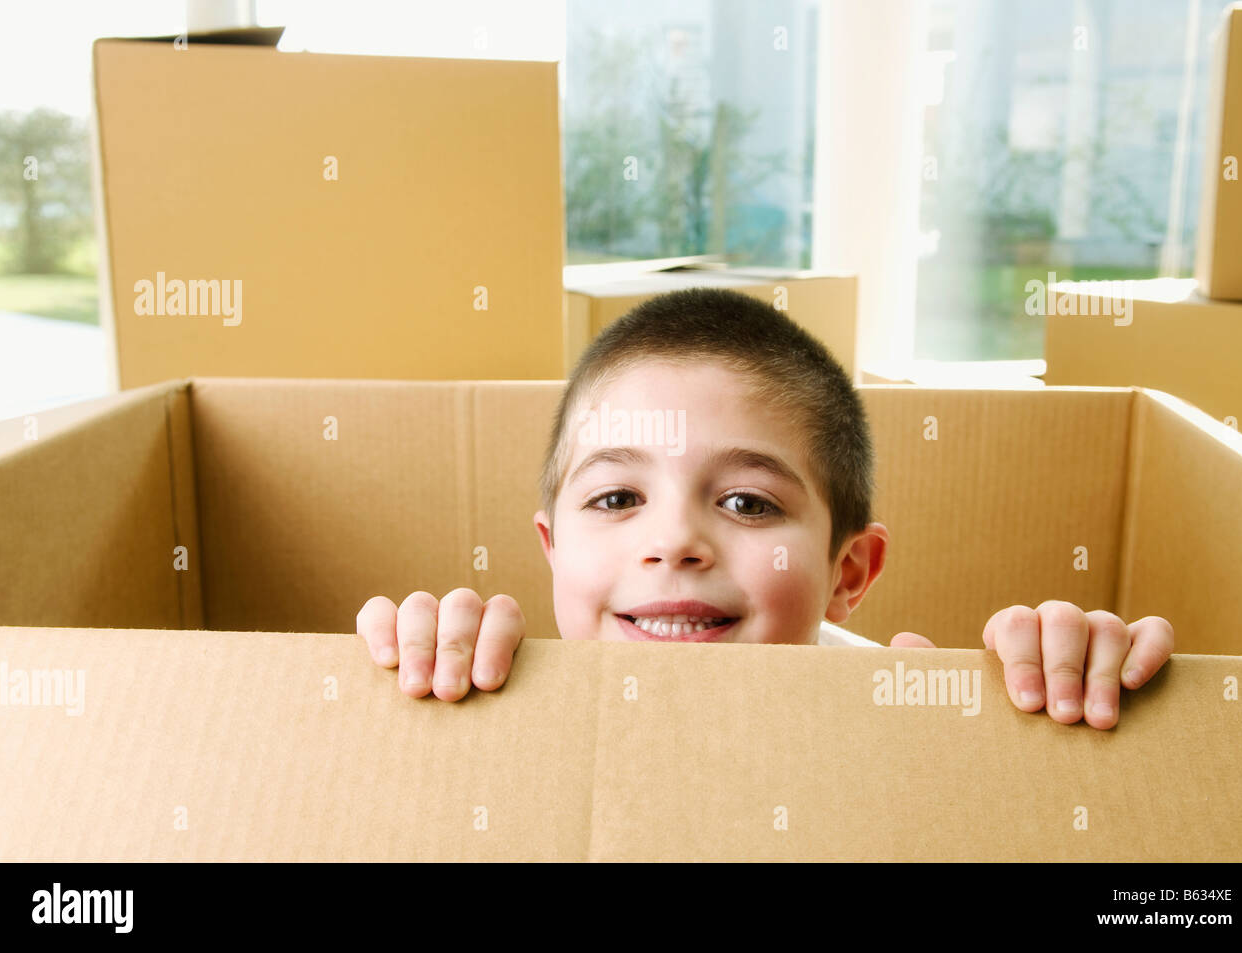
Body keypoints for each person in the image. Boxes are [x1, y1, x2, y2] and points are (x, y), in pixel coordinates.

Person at [356, 288, 1173, 729]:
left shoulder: (906, 713)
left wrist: (1066, 678)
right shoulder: (502, 692)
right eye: (617, 497)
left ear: (847, 571)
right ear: (552, 549)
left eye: (747, 501)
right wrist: (423, 659)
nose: (673, 540)